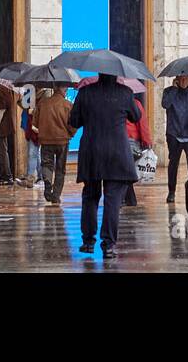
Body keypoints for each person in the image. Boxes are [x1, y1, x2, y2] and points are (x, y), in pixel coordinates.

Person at [67, 74, 141, 258]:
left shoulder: (85, 93)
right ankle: (108, 245)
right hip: (117, 153)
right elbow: (136, 116)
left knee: (90, 197)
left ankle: (88, 241)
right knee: (113, 200)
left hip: (92, 151)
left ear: (99, 73)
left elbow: (74, 121)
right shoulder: (125, 93)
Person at [161, 74, 188, 203]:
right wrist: (174, 89)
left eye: (186, 78)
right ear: (177, 78)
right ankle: (171, 191)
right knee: (173, 164)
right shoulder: (168, 91)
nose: (184, 80)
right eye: (181, 78)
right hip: (174, 134)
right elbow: (165, 104)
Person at [34, 87, 75, 204]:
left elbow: (35, 123)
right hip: (62, 140)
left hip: (46, 139)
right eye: (65, 90)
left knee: (47, 164)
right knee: (60, 168)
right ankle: (56, 195)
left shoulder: (43, 104)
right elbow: (73, 124)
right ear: (63, 91)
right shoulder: (68, 105)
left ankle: (47, 183)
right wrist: (70, 133)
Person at [123, 93, 151, 207]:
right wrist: (147, 142)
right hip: (131, 142)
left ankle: (129, 199)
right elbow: (142, 124)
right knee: (127, 172)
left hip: (117, 141)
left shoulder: (111, 102)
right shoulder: (135, 103)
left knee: (124, 171)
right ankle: (129, 199)